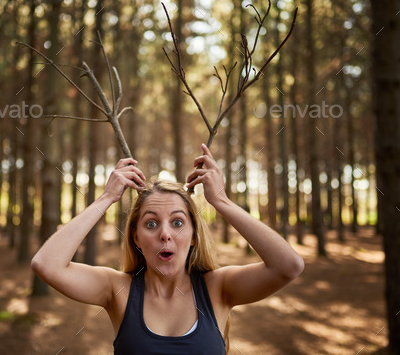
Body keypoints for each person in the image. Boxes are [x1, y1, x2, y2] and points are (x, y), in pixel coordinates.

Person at [31, 144, 304, 354]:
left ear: (194, 236)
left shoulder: (218, 288)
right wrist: (106, 198)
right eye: (150, 224)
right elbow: (47, 265)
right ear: (136, 238)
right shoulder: (117, 290)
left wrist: (221, 201)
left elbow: (288, 266)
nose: (165, 234)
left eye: (177, 222)